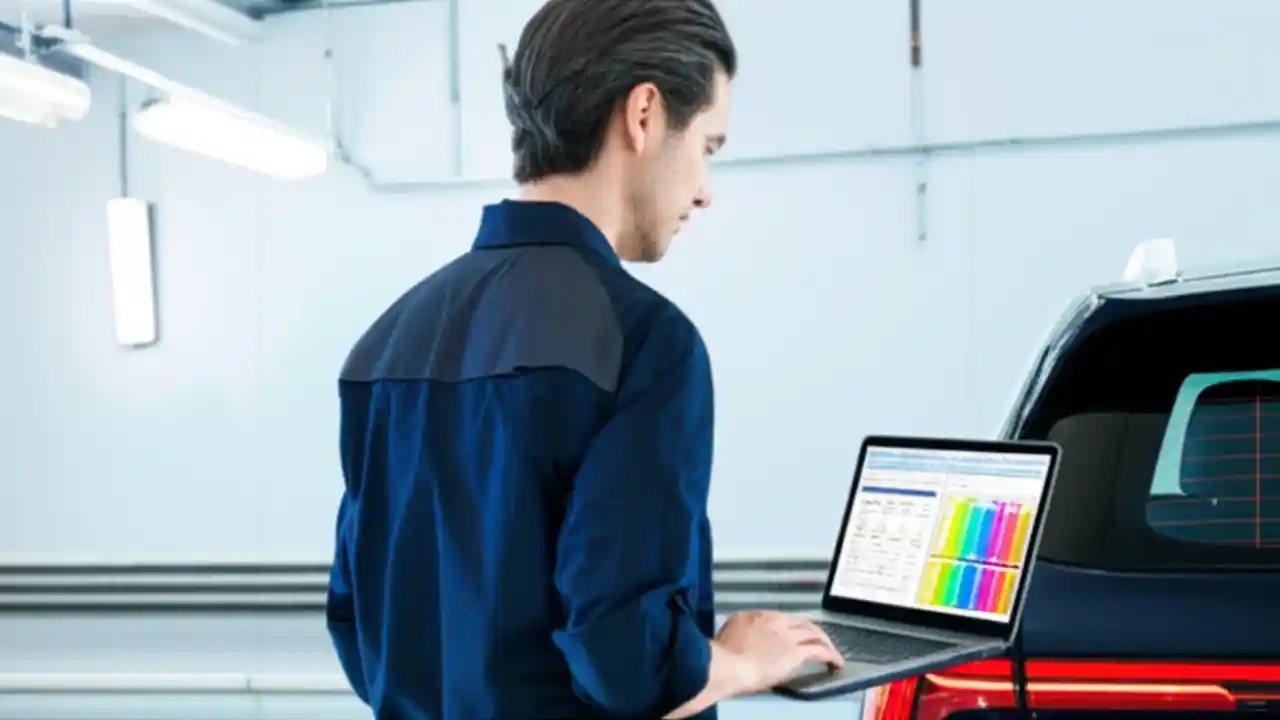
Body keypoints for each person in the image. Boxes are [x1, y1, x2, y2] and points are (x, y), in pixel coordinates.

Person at [325, 0, 843, 717]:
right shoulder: (647, 342)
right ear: (644, 114)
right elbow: (625, 659)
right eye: (707, 147)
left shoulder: (387, 341)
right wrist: (737, 663)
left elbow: (359, 623)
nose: (704, 191)